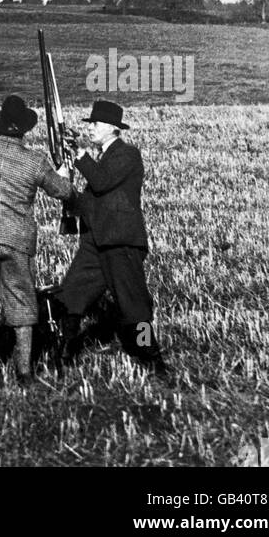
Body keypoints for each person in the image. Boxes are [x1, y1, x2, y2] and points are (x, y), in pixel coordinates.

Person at [0, 94, 75, 383]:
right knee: (23, 302)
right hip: (17, 239)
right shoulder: (35, 161)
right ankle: (24, 372)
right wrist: (65, 172)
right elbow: (64, 191)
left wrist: (0, 125)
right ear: (25, 129)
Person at [54, 99, 167, 375]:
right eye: (90, 123)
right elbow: (91, 204)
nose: (90, 128)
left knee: (135, 306)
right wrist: (63, 184)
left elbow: (102, 182)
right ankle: (64, 354)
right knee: (72, 295)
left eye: (96, 124)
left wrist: (80, 156)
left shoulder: (127, 155)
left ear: (113, 129)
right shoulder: (101, 160)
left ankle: (151, 357)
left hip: (121, 243)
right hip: (95, 242)